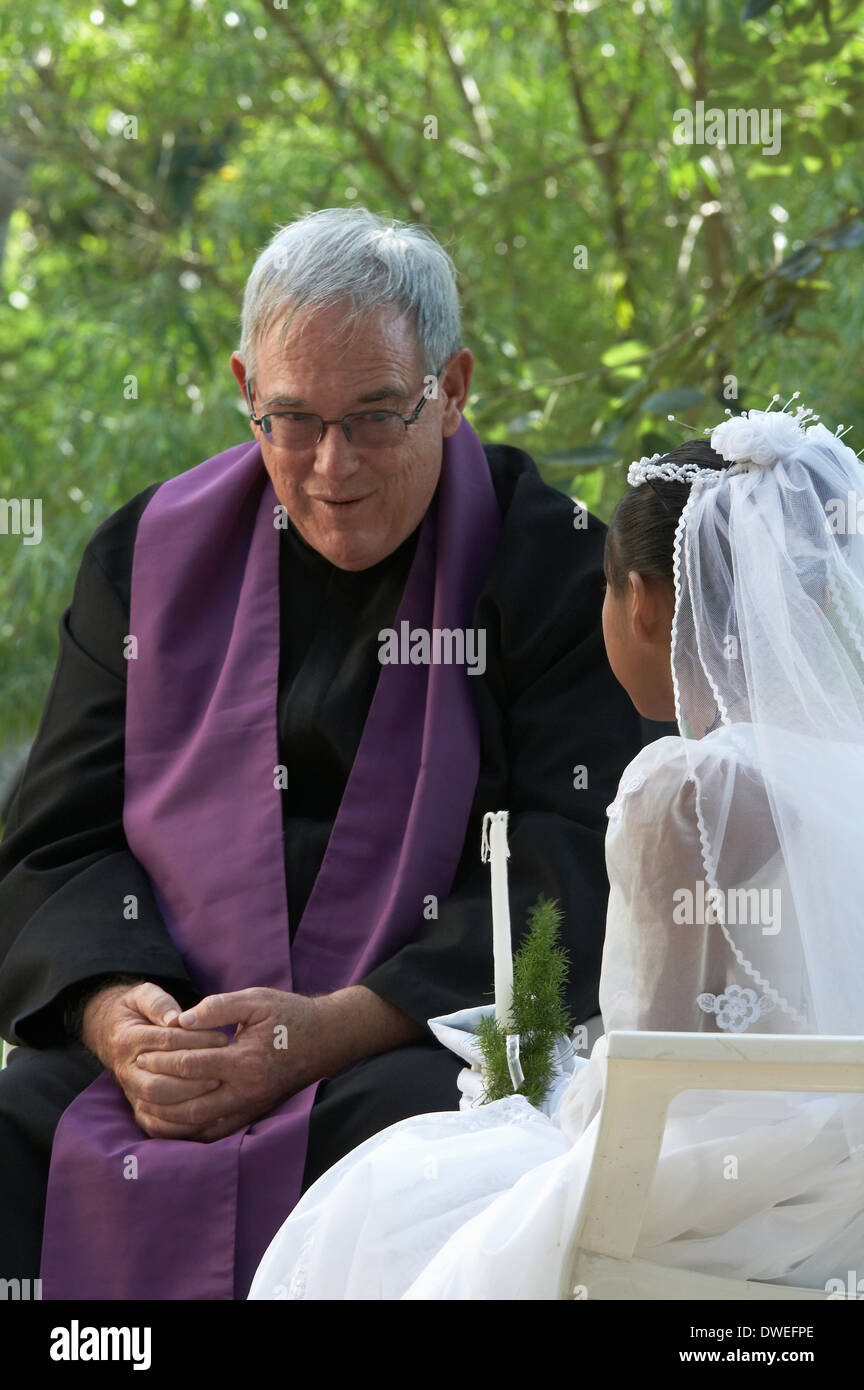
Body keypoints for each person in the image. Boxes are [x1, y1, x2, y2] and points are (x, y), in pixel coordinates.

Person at [0, 207, 654, 1300]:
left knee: (406, 1153)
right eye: (291, 419)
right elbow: (54, 842)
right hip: (173, 1034)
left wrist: (332, 1031)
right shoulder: (145, 561)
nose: (332, 466)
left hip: (410, 1039)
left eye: (376, 416)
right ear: (243, 386)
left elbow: (578, 859)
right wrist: (122, 1018)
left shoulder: (552, 567)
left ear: (452, 386)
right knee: (25, 1128)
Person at [248, 399, 864, 1300]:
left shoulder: (682, 791)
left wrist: (534, 1092)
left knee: (380, 1202)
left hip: (698, 1205)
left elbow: (643, 1073)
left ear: (644, 602)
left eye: (603, 595)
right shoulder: (842, 777)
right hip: (836, 1195)